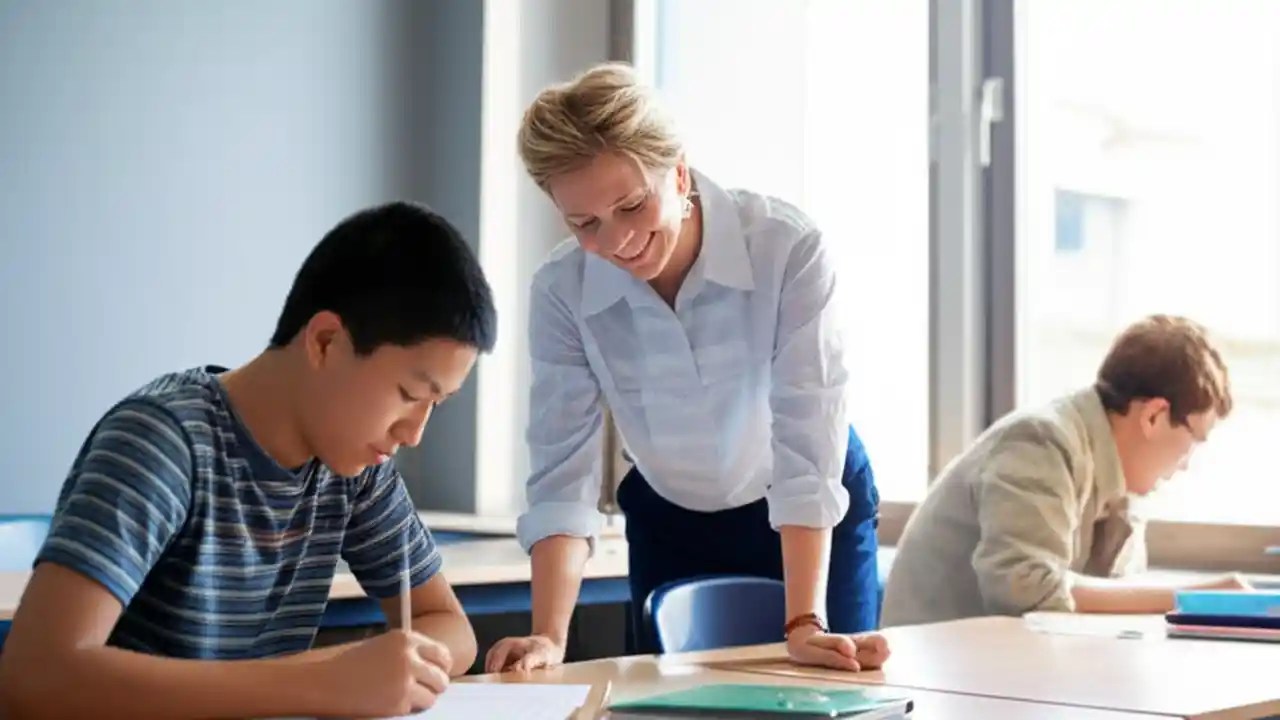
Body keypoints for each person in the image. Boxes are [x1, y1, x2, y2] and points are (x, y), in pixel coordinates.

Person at [0, 202, 497, 719]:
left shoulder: (355, 470)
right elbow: (35, 676)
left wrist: (380, 669)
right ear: (326, 342)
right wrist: (324, 681)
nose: (415, 433)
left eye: (435, 405)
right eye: (409, 392)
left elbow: (449, 624)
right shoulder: (163, 442)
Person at [485, 62, 888, 675]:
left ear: (677, 170)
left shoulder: (786, 248)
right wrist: (548, 638)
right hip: (671, 512)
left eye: (631, 204)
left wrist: (805, 621)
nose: (617, 240)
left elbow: (809, 439)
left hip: (807, 500)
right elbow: (561, 471)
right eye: (584, 223)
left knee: (831, 685)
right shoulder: (561, 291)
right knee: (665, 705)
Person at [882, 314, 1250, 627]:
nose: (1185, 463)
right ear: (1153, 416)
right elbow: (1025, 590)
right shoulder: (1041, 441)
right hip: (941, 687)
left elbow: (1112, 602)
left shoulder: (1121, 487)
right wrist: (1196, 597)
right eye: (1193, 440)